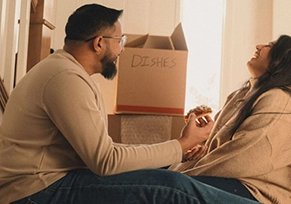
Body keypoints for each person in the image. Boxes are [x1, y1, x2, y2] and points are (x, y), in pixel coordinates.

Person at [0, 4, 261, 204]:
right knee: (171, 187)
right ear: (99, 43)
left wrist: (177, 151)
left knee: (170, 179)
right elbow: (105, 161)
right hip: (34, 190)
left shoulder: (70, 72)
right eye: (120, 41)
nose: (122, 49)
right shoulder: (65, 78)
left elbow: (105, 152)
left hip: (48, 180)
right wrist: (181, 146)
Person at [169, 35, 291, 204]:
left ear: (283, 60)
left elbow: (243, 158)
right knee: (155, 175)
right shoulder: (241, 95)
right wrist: (201, 148)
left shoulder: (281, 99)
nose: (259, 46)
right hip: (238, 180)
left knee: (163, 183)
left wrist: (181, 173)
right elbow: (228, 151)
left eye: (270, 46)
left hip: (259, 192)